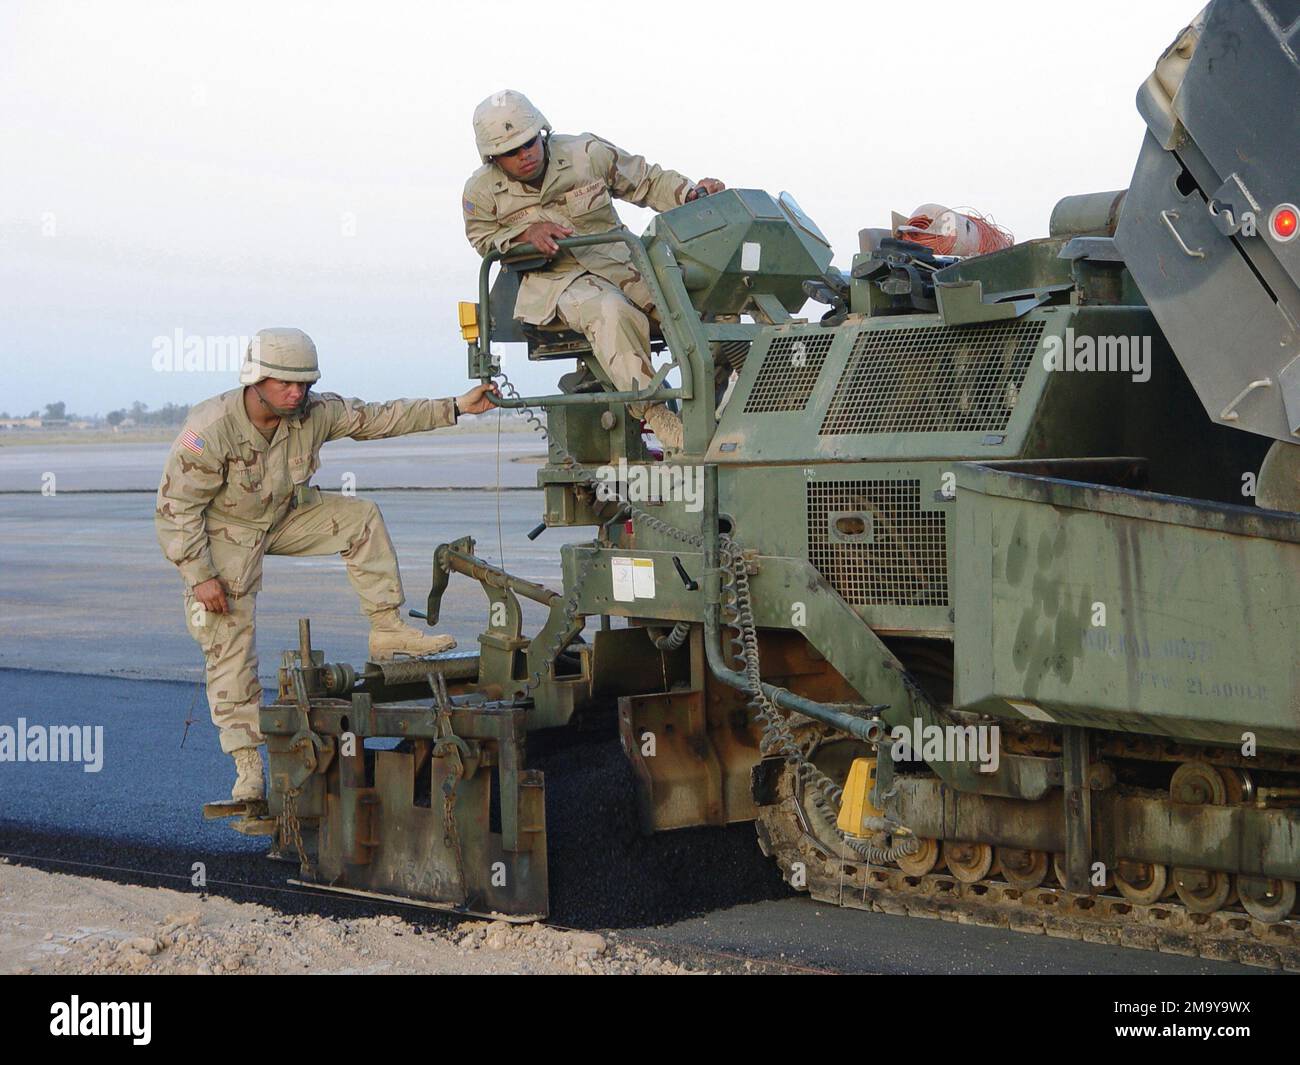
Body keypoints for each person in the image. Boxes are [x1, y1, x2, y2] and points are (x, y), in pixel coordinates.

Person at [155, 327, 497, 802]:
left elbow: (379, 417)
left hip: (283, 514)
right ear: (255, 379)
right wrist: (200, 577)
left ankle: (387, 628)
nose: (296, 393)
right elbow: (175, 508)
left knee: (361, 518)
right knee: (228, 640)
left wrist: (456, 406)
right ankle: (248, 765)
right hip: (223, 533)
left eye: (305, 383)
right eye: (285, 384)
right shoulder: (208, 428)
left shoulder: (314, 411)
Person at [462, 90, 725, 451]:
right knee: (610, 312)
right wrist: (523, 234)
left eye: (529, 143)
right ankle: (656, 414)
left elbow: (646, 180)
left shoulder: (586, 153)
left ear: (542, 132)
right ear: (493, 158)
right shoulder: (481, 193)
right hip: (556, 283)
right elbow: (482, 238)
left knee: (709, 307)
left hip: (621, 263)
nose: (525, 155)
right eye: (511, 152)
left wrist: (691, 194)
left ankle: (722, 406)